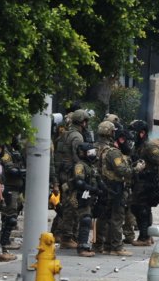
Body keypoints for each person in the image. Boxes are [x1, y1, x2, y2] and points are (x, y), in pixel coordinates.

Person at [94, 121, 135, 257]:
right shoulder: (113, 152)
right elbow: (123, 171)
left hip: (101, 186)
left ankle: (101, 245)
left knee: (103, 216)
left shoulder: (95, 148)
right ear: (111, 133)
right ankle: (116, 247)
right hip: (114, 187)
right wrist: (136, 169)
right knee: (117, 217)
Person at [127, 119, 159, 247]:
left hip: (147, 183)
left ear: (142, 133)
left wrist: (147, 173)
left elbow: (158, 163)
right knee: (140, 208)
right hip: (139, 182)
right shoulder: (138, 146)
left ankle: (144, 237)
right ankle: (146, 235)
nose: (131, 135)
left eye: (134, 132)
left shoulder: (149, 146)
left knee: (141, 208)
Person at [52, 109, 89, 249]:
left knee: (64, 204)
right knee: (72, 206)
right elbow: (78, 158)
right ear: (83, 122)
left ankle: (56, 232)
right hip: (71, 176)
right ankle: (67, 237)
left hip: (62, 175)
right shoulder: (77, 137)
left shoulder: (63, 135)